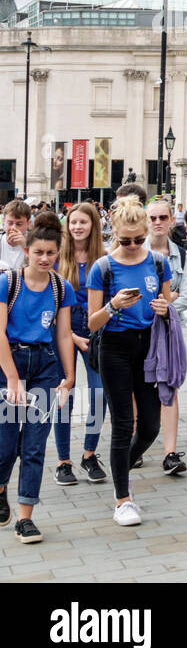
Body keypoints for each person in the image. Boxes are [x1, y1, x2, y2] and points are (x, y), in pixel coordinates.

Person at [85, 197, 174, 526]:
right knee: (123, 424)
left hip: (149, 346)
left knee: (150, 425)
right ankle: (123, 498)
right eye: (126, 241)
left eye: (140, 239)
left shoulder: (159, 262)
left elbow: (165, 303)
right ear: (115, 235)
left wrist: (164, 309)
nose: (134, 245)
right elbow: (92, 323)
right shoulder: (103, 267)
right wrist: (113, 306)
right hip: (115, 347)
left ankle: (120, 469)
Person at [0, 213, 76, 543]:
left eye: (51, 253)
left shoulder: (62, 287)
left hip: (45, 367)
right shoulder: (8, 283)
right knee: (5, 446)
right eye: (38, 252)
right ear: (27, 251)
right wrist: (13, 379)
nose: (45, 259)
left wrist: (69, 375)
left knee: (33, 446)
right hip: (10, 364)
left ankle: (25, 517)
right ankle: (2, 486)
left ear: (57, 253)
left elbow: (62, 335)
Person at [52, 202, 107, 486]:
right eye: (73, 222)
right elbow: (48, 302)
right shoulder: (57, 259)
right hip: (63, 329)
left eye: (83, 222)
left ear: (93, 225)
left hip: (95, 328)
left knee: (100, 393)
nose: (77, 227)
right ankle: (63, 461)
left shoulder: (104, 258)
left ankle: (89, 453)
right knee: (65, 394)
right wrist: (71, 336)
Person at [146, 197, 187, 475]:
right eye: (153, 218)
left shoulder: (181, 255)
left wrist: (164, 303)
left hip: (168, 331)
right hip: (140, 331)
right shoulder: (135, 251)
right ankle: (137, 445)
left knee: (170, 385)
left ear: (171, 220)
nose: (157, 223)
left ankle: (170, 452)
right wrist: (166, 298)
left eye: (163, 217)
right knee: (137, 389)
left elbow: (186, 296)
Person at [0, 200, 31, 274]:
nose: (13, 228)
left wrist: (25, 246)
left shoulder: (34, 245)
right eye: (10, 223)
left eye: (19, 224)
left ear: (28, 224)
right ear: (4, 221)